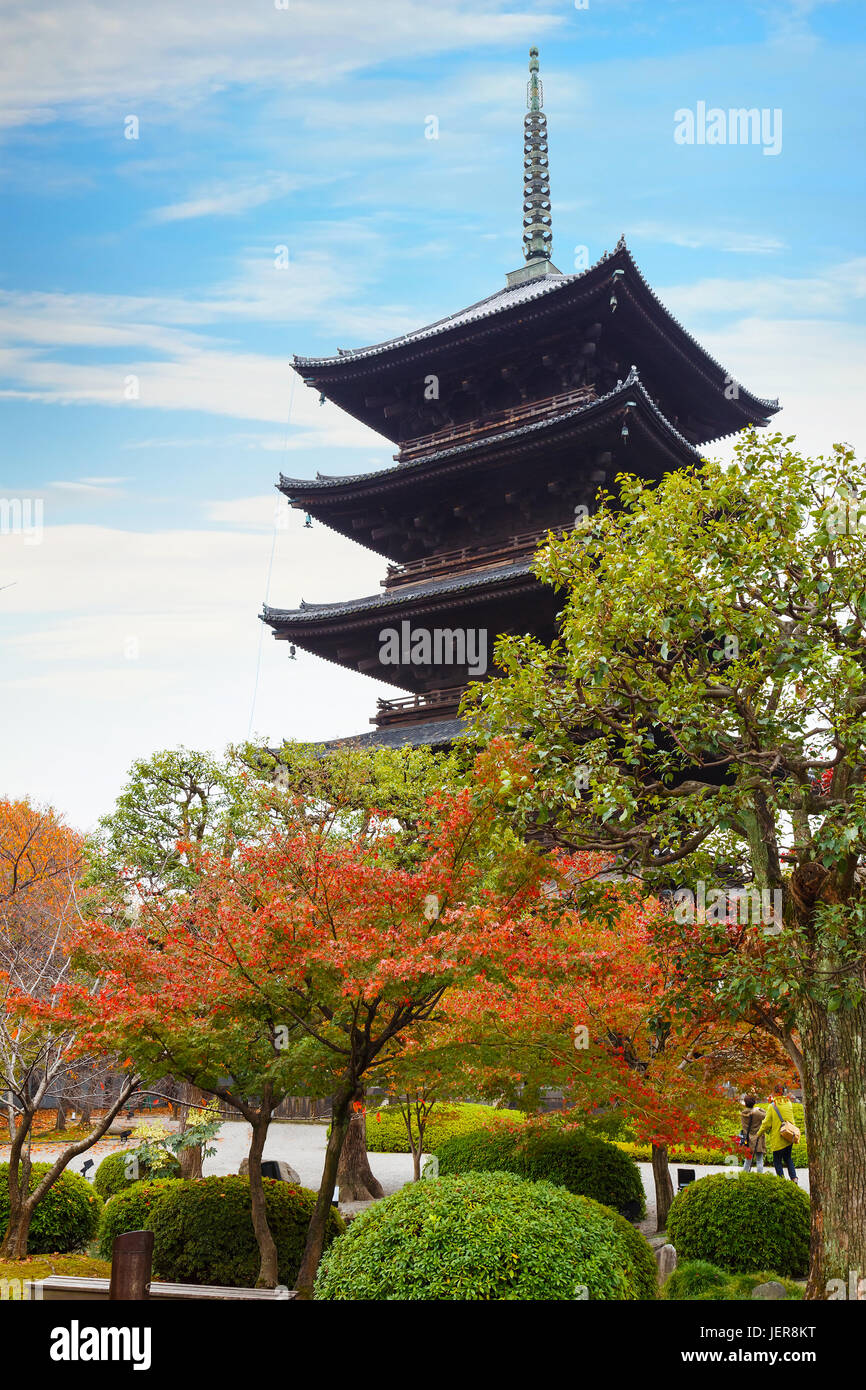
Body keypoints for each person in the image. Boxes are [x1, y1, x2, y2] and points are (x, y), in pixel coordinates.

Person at [756, 1091, 798, 1181]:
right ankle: (794, 1178)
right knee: (788, 1158)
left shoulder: (772, 1106)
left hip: (778, 1137)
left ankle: (781, 1181)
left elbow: (766, 1124)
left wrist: (758, 1134)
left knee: (777, 1161)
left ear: (775, 1094)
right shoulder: (788, 1103)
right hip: (789, 1135)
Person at [739, 1095, 766, 1172]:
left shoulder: (742, 1113)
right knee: (759, 1161)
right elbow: (766, 1116)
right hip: (758, 1139)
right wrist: (759, 1109)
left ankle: (744, 1176)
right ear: (754, 1103)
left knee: (747, 1161)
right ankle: (759, 1178)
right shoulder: (757, 1113)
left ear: (745, 1103)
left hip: (747, 1140)